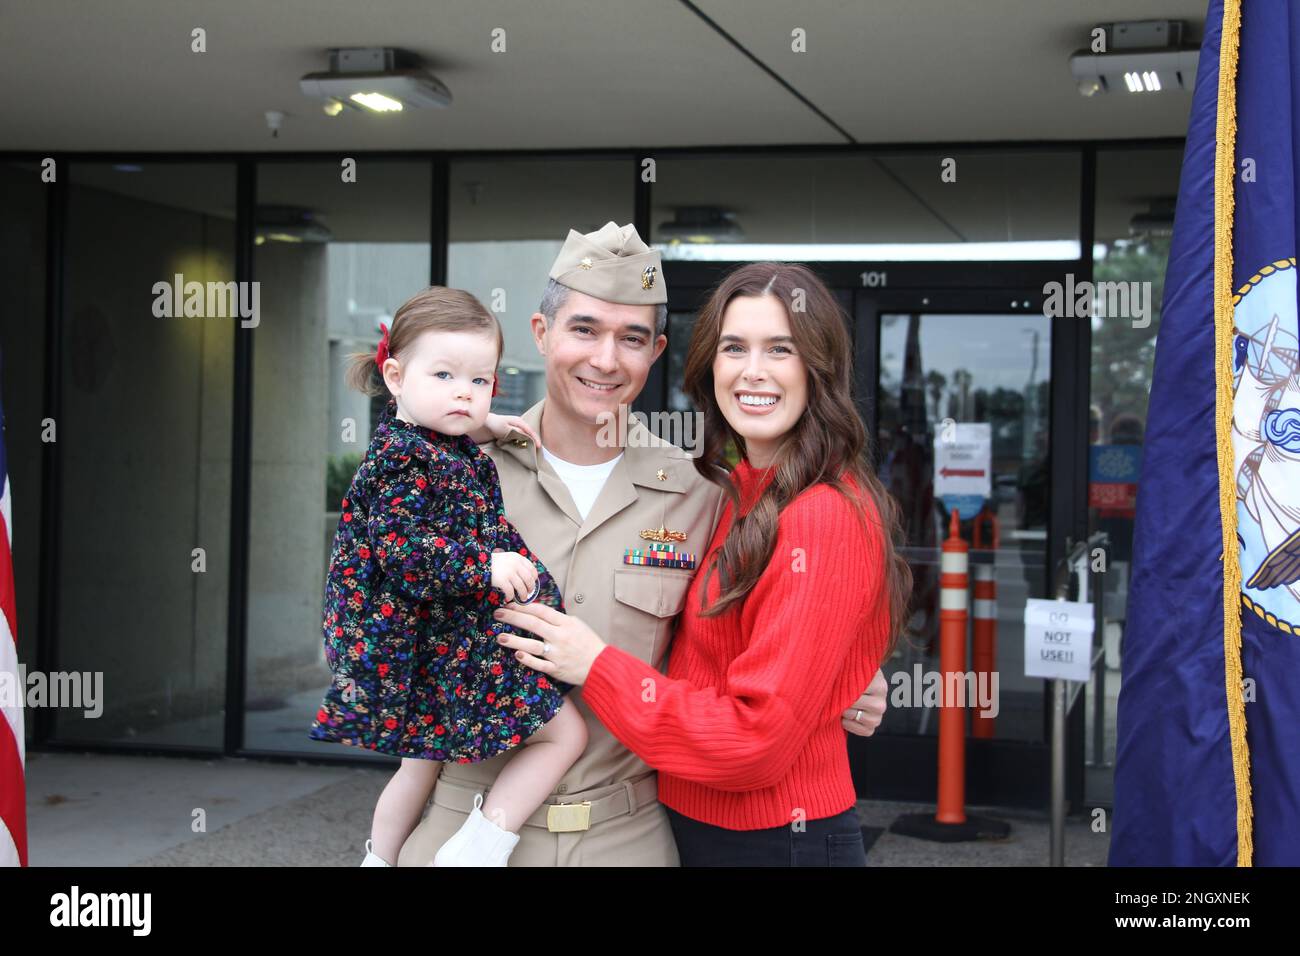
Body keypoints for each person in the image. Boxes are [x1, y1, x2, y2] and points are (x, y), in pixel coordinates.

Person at [398, 224, 889, 867]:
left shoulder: (701, 491)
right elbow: (365, 617)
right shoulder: (451, 478)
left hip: (626, 840)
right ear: (542, 334)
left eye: (630, 338)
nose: (605, 359)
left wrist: (844, 671)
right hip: (464, 835)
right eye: (583, 329)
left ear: (656, 351)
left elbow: (771, 620)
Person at [308, 286, 587, 867]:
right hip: (440, 644)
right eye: (444, 375)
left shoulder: (425, 441)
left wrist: (486, 426)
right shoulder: (399, 461)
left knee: (419, 765)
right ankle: (482, 845)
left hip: (430, 646)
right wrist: (484, 566)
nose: (465, 392)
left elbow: (445, 437)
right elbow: (405, 552)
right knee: (566, 735)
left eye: (480, 381)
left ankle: (379, 861)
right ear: (394, 376)